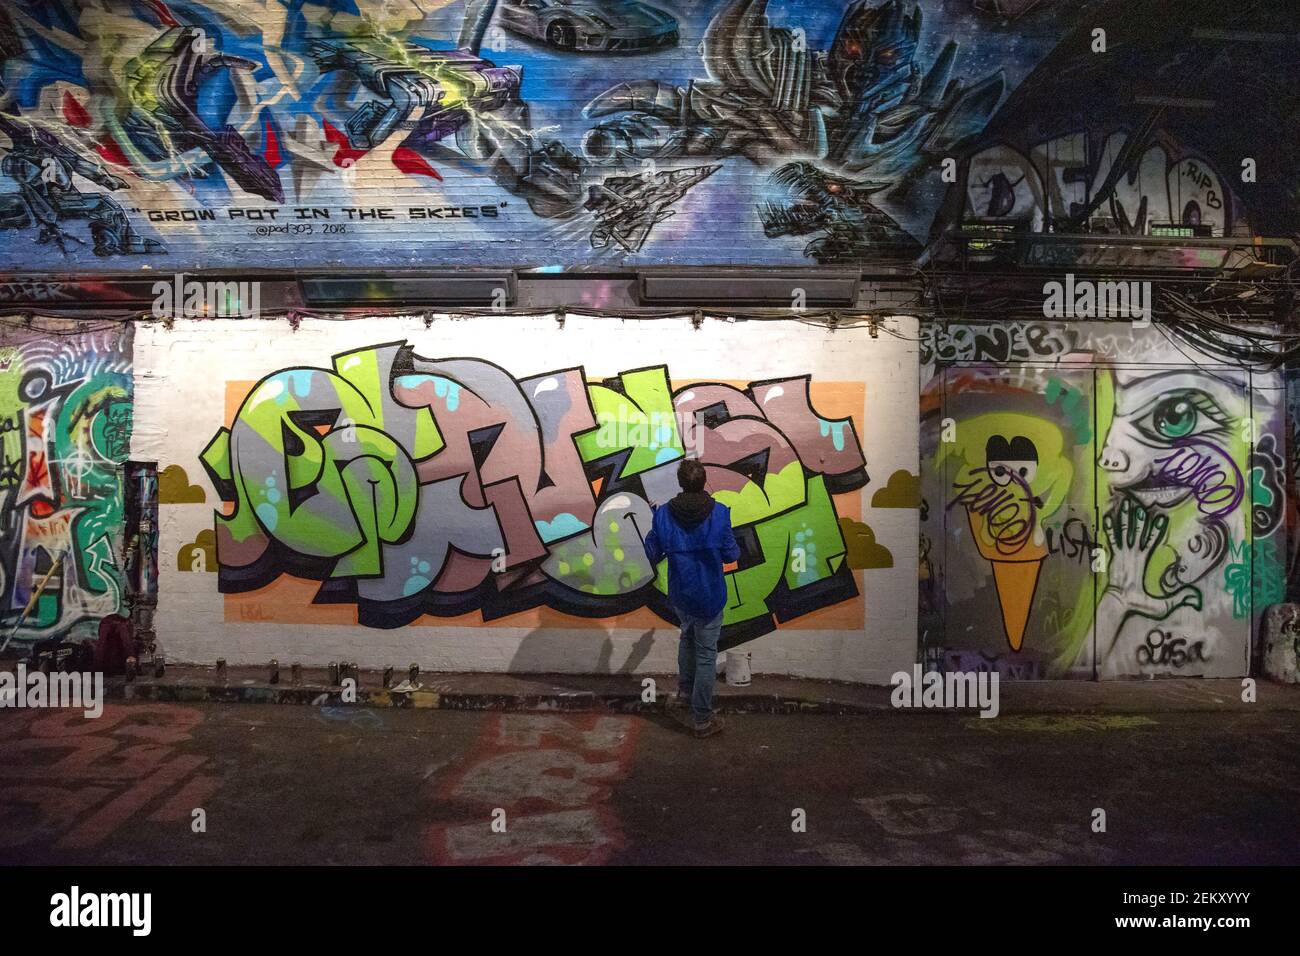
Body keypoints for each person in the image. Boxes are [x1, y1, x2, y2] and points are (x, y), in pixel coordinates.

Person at [643, 458, 740, 738]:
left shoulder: (663, 515)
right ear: (703, 480)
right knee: (707, 654)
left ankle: (685, 693)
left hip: (681, 595)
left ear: (681, 483)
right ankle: (702, 719)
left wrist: (655, 521)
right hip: (709, 596)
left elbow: (653, 552)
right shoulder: (720, 513)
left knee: (687, 637)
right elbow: (731, 554)